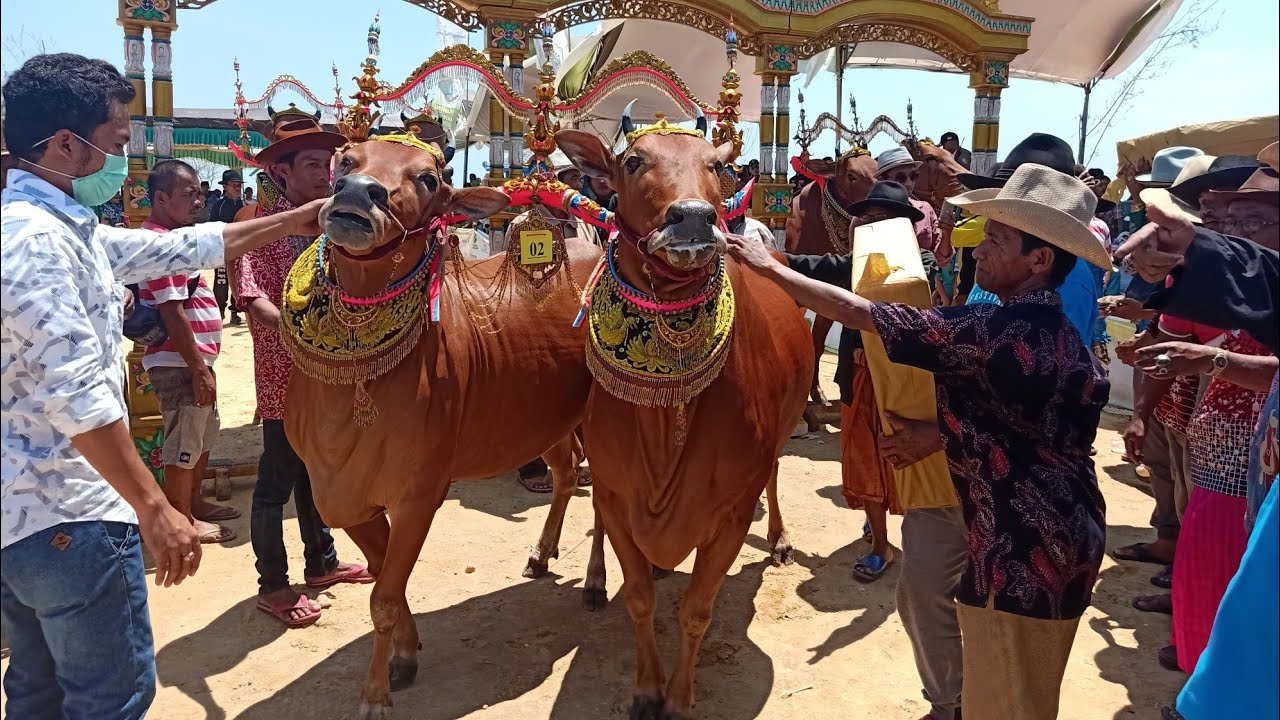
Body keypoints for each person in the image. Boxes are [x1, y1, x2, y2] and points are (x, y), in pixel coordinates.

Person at [1, 52, 324, 720]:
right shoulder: (35, 242)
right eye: (116, 143)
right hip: (73, 518)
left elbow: (180, 249)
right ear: (66, 143)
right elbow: (78, 395)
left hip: (26, 522)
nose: (121, 162)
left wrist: (289, 222)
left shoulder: (67, 228)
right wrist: (155, 509)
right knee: (109, 698)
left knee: (39, 690)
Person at [730, 162, 1111, 720]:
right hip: (1024, 531)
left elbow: (862, 312)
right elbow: (1008, 427)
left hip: (1029, 548)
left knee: (1012, 700)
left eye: (995, 240)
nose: (978, 250)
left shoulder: (1007, 334)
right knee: (1002, 689)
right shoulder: (1026, 326)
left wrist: (766, 267)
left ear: (1039, 259)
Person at [784, 181, 963, 718]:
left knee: (891, 462)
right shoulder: (871, 261)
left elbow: (856, 305)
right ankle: (880, 536)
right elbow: (824, 267)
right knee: (867, 460)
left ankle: (884, 545)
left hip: (917, 393)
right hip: (861, 375)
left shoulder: (915, 268)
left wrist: (773, 268)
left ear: (905, 224)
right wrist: (778, 261)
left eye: (881, 216)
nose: (868, 225)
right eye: (863, 217)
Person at [1112, 150, 1279, 718]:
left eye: (1250, 220)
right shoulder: (1254, 278)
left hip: (1242, 453)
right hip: (1238, 451)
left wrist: (1208, 362)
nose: (1235, 231)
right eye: (1228, 219)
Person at [234, 116, 374, 627]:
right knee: (275, 484)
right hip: (284, 380)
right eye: (311, 165)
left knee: (317, 474)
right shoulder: (266, 229)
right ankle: (272, 584)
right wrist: (301, 333)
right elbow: (252, 299)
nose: (323, 174)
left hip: (328, 376)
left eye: (328, 165)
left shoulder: (337, 226)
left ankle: (323, 563)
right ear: (282, 175)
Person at [135, 159, 240, 546]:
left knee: (202, 433)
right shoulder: (160, 244)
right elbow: (171, 309)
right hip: (179, 361)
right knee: (184, 439)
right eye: (188, 194)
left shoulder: (176, 240)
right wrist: (198, 368)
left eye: (199, 192)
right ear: (161, 198)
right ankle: (182, 515)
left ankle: (195, 502)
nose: (198, 201)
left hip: (194, 359)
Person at [874, 147, 943, 258]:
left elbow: (941, 260)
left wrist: (947, 231)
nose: (909, 183)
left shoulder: (926, 209)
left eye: (913, 176)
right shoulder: (867, 215)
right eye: (900, 178)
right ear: (882, 180)